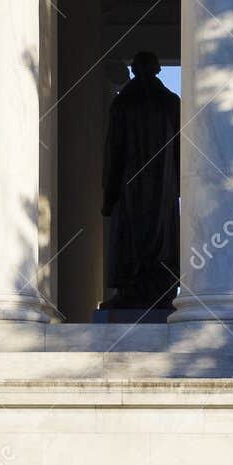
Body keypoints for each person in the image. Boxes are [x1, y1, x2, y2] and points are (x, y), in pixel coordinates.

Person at [100, 51, 180, 311]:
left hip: (132, 186)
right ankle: (158, 287)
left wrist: (109, 193)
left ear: (134, 70)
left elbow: (114, 150)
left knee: (131, 234)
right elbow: (183, 151)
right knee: (159, 234)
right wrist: (181, 186)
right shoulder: (170, 102)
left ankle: (133, 288)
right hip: (161, 186)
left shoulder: (124, 103)